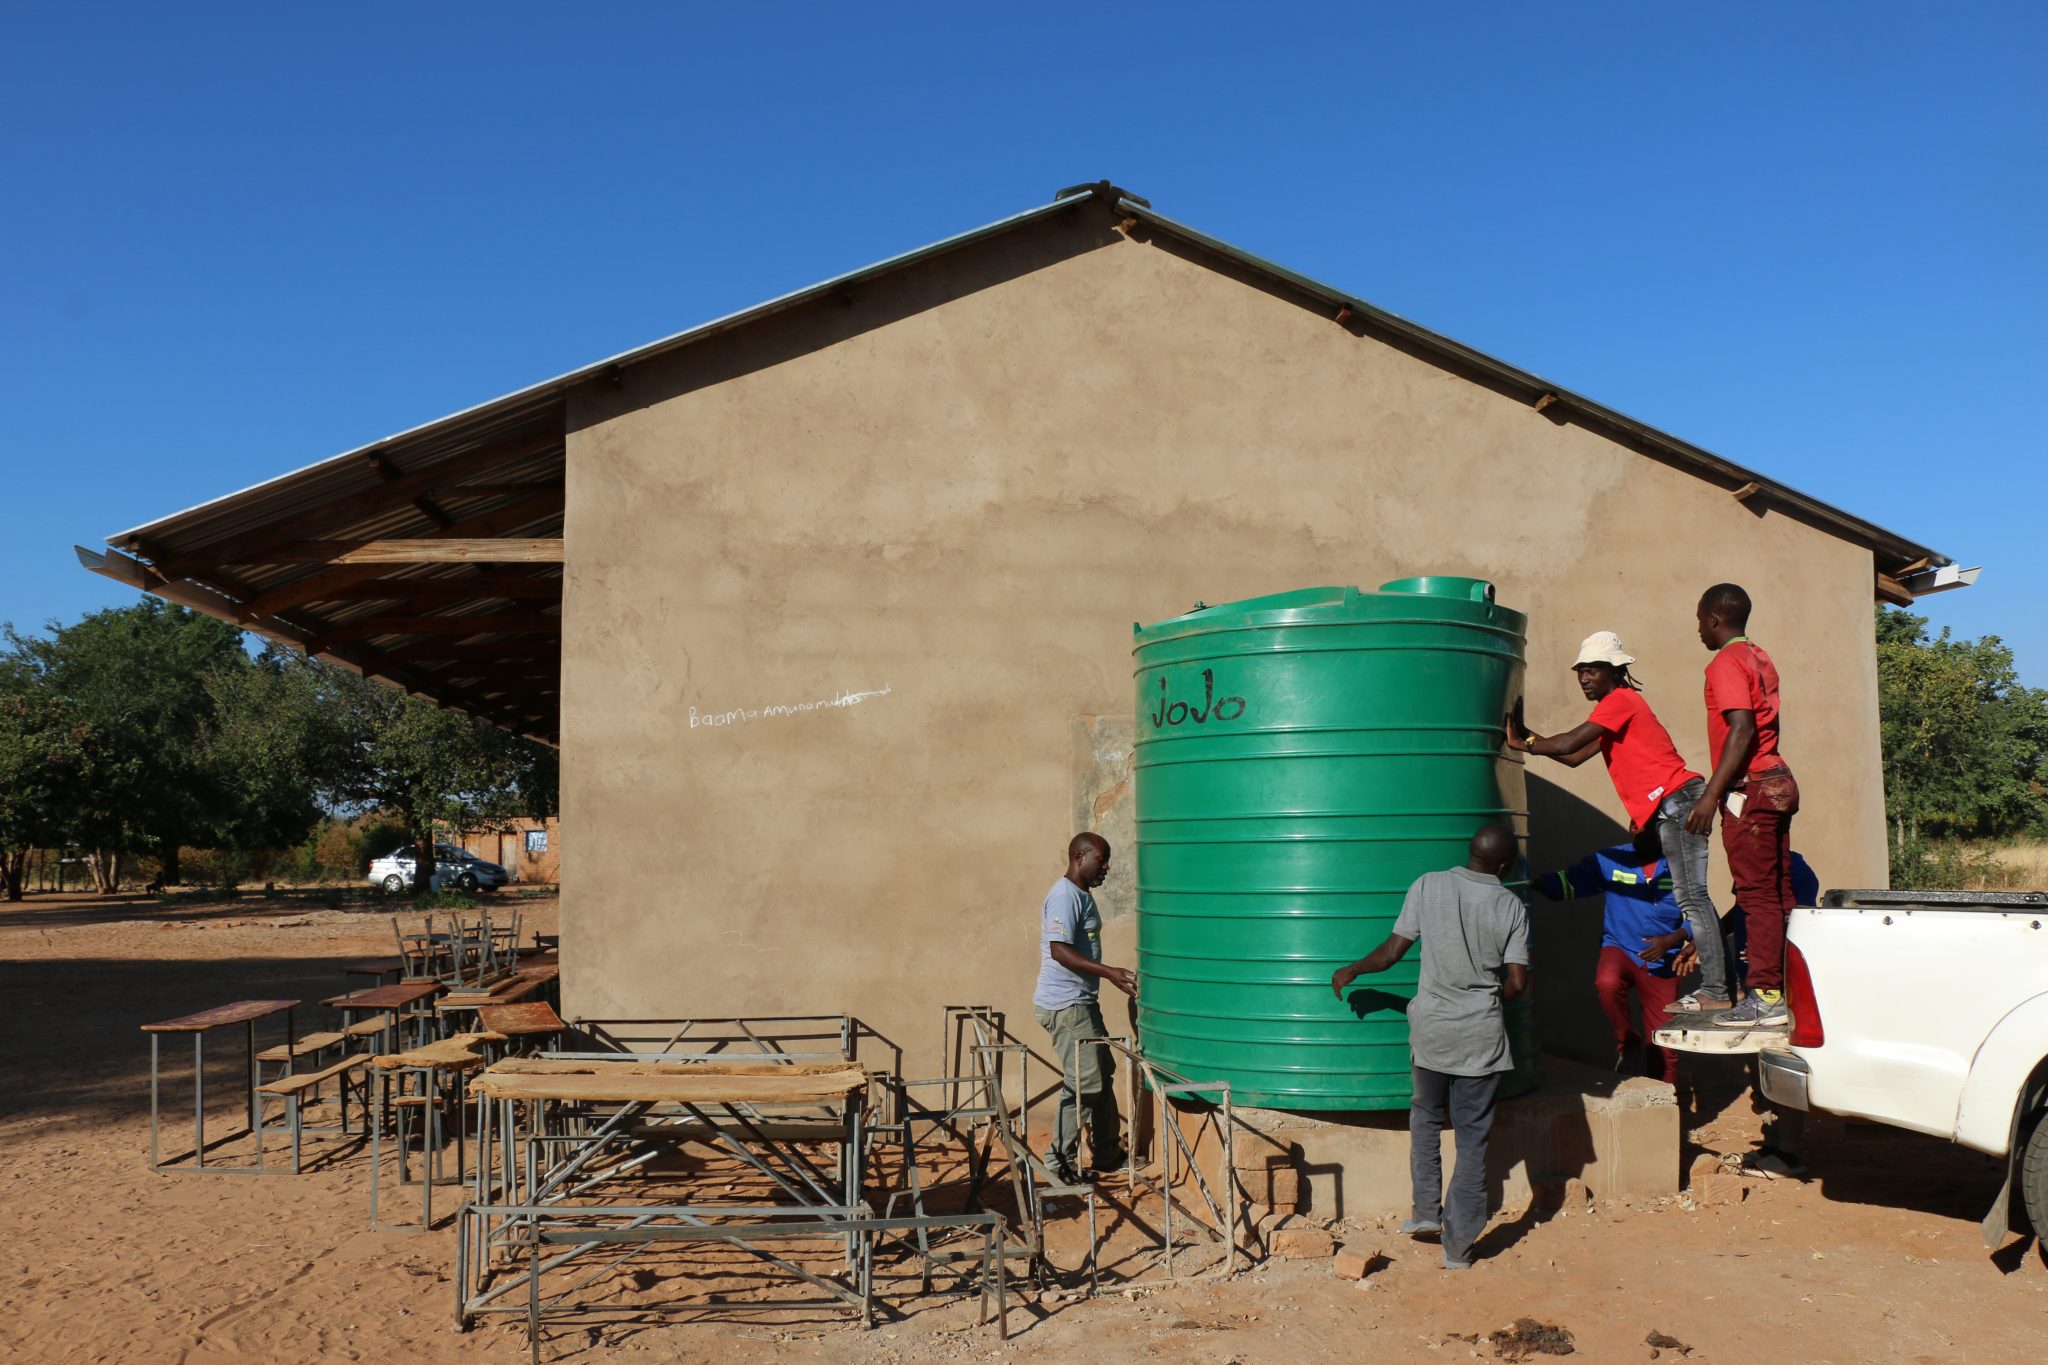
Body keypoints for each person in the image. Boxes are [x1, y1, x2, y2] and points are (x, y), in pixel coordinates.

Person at [1331, 824, 1531, 1270]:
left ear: (1471, 851)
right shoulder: (1510, 906)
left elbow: (1390, 954)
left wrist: (1352, 969)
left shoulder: (1428, 885)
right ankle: (1458, 1248)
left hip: (1432, 1031)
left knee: (1424, 1118)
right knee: (1472, 1137)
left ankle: (1425, 1213)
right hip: (1480, 1037)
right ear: (1503, 866)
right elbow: (1517, 983)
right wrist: (1487, 1001)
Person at [1504, 632, 1733, 1013]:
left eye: (1592, 670)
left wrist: (1525, 744)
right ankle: (1717, 989)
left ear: (1614, 671)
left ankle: (1716, 990)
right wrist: (1528, 737)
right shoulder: (1615, 713)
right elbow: (1574, 757)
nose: (1584, 678)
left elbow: (1566, 743)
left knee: (1692, 897)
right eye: (1580, 671)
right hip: (1674, 805)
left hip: (1678, 803)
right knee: (1692, 896)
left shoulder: (1621, 700)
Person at [1685, 584, 1800, 1029]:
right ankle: (1784, 988)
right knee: (1779, 894)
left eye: (1700, 619)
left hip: (1751, 787)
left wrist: (1710, 795)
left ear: (1714, 618)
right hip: (1776, 781)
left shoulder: (1725, 662)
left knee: (1757, 895)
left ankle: (1766, 996)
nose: (1698, 628)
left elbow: (1742, 728)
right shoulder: (1758, 656)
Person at [1532, 825, 1688, 1084]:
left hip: (1663, 960)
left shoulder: (1681, 865)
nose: (1639, 833)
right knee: (1607, 982)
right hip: (1620, 947)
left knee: (1664, 1043)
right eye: (1635, 826)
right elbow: (1571, 882)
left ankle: (1665, 1099)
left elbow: (1700, 913)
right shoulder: (1611, 860)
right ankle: (1628, 1043)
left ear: (1661, 831)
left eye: (1647, 828)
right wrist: (1534, 883)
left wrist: (1671, 940)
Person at [1032, 831, 1137, 1184]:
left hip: (1081, 1003)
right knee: (1085, 1082)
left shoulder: (1080, 894)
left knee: (1101, 1073)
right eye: (1101, 860)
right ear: (1080, 857)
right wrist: (1109, 972)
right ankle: (1058, 1162)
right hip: (1067, 1006)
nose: (1106, 867)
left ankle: (1107, 1153)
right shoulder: (1064, 896)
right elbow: (1059, 951)